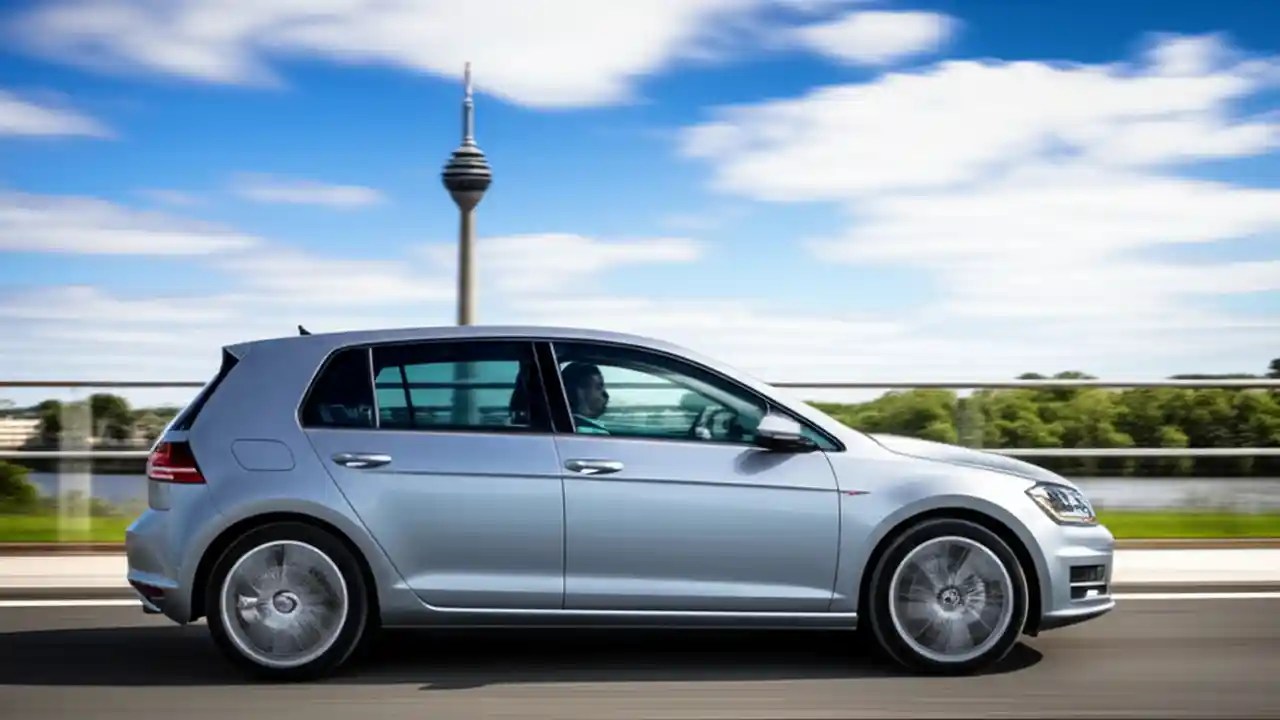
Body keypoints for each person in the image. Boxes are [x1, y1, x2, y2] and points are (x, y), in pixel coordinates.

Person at [560, 362, 610, 434]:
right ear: (579, 391)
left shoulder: (563, 425)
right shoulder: (592, 432)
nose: (605, 394)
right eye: (598, 387)